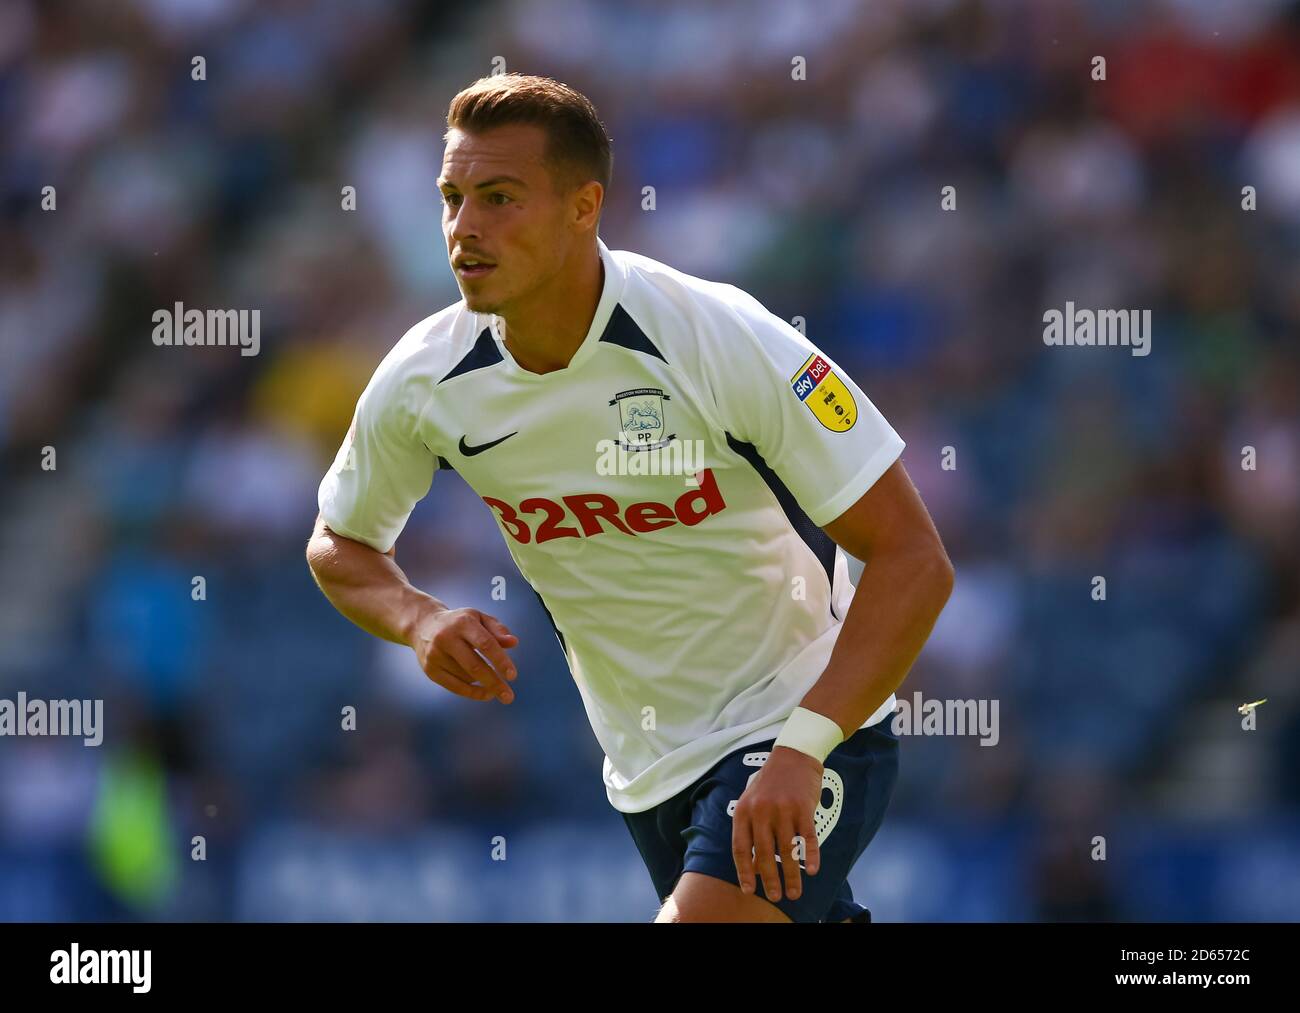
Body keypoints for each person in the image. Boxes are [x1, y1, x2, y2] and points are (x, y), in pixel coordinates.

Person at [306, 73, 954, 923]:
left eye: (500, 198)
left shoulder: (714, 334)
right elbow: (340, 543)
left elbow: (913, 557)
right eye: (452, 199)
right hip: (645, 770)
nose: (465, 228)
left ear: (585, 207)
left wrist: (803, 747)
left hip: (797, 723)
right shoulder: (426, 378)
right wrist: (418, 618)